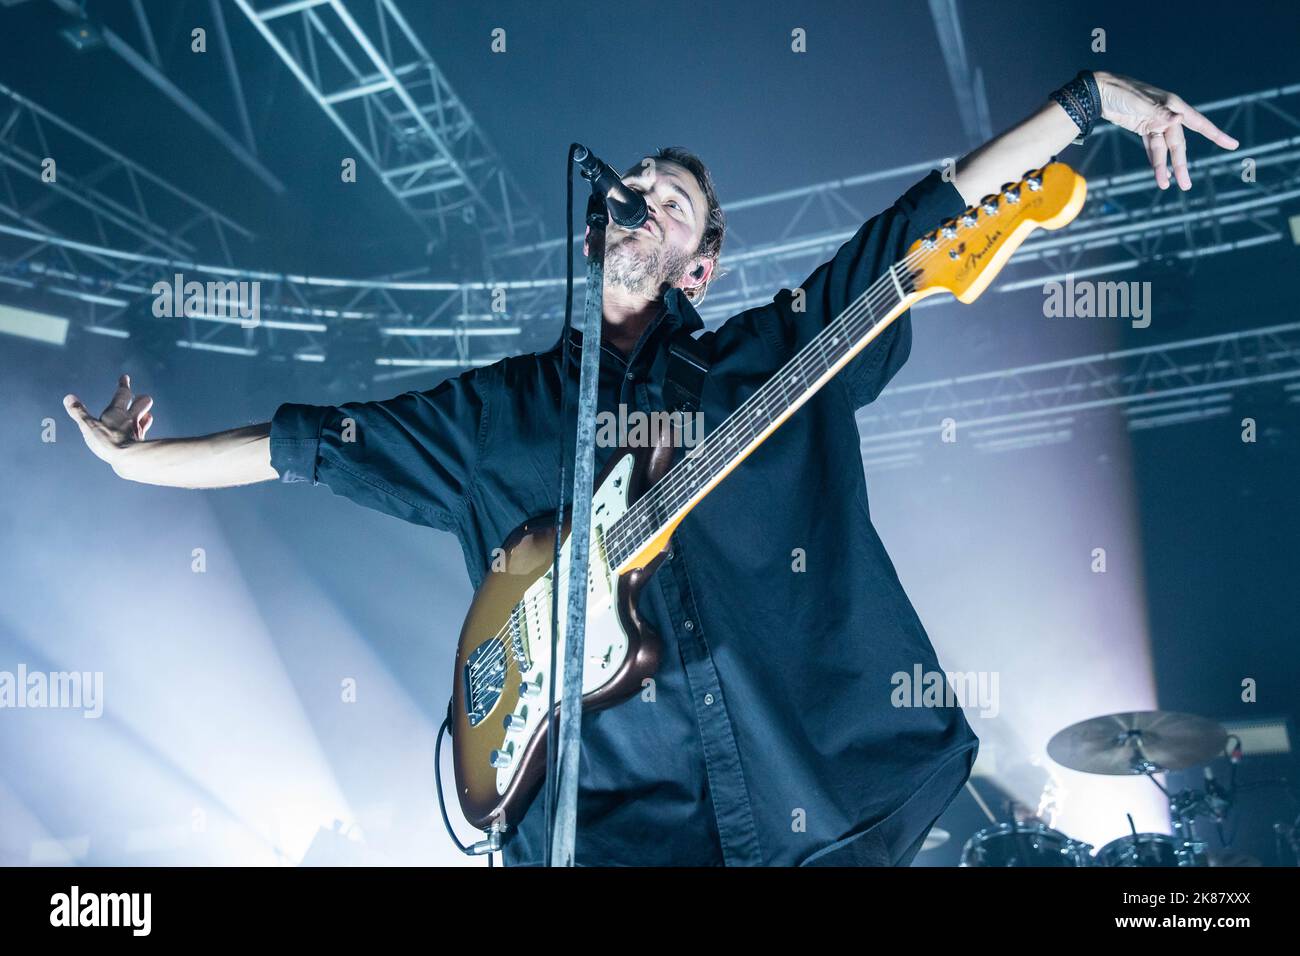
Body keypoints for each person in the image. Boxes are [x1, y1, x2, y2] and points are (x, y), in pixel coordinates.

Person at [64, 71, 1238, 866]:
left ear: (700, 262)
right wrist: (136, 467)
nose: (649, 201)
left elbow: (912, 229)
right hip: (601, 831)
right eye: (636, 190)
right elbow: (307, 445)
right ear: (597, 232)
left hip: (790, 809)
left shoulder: (765, 358)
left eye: (677, 203)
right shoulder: (495, 412)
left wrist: (1083, 105)